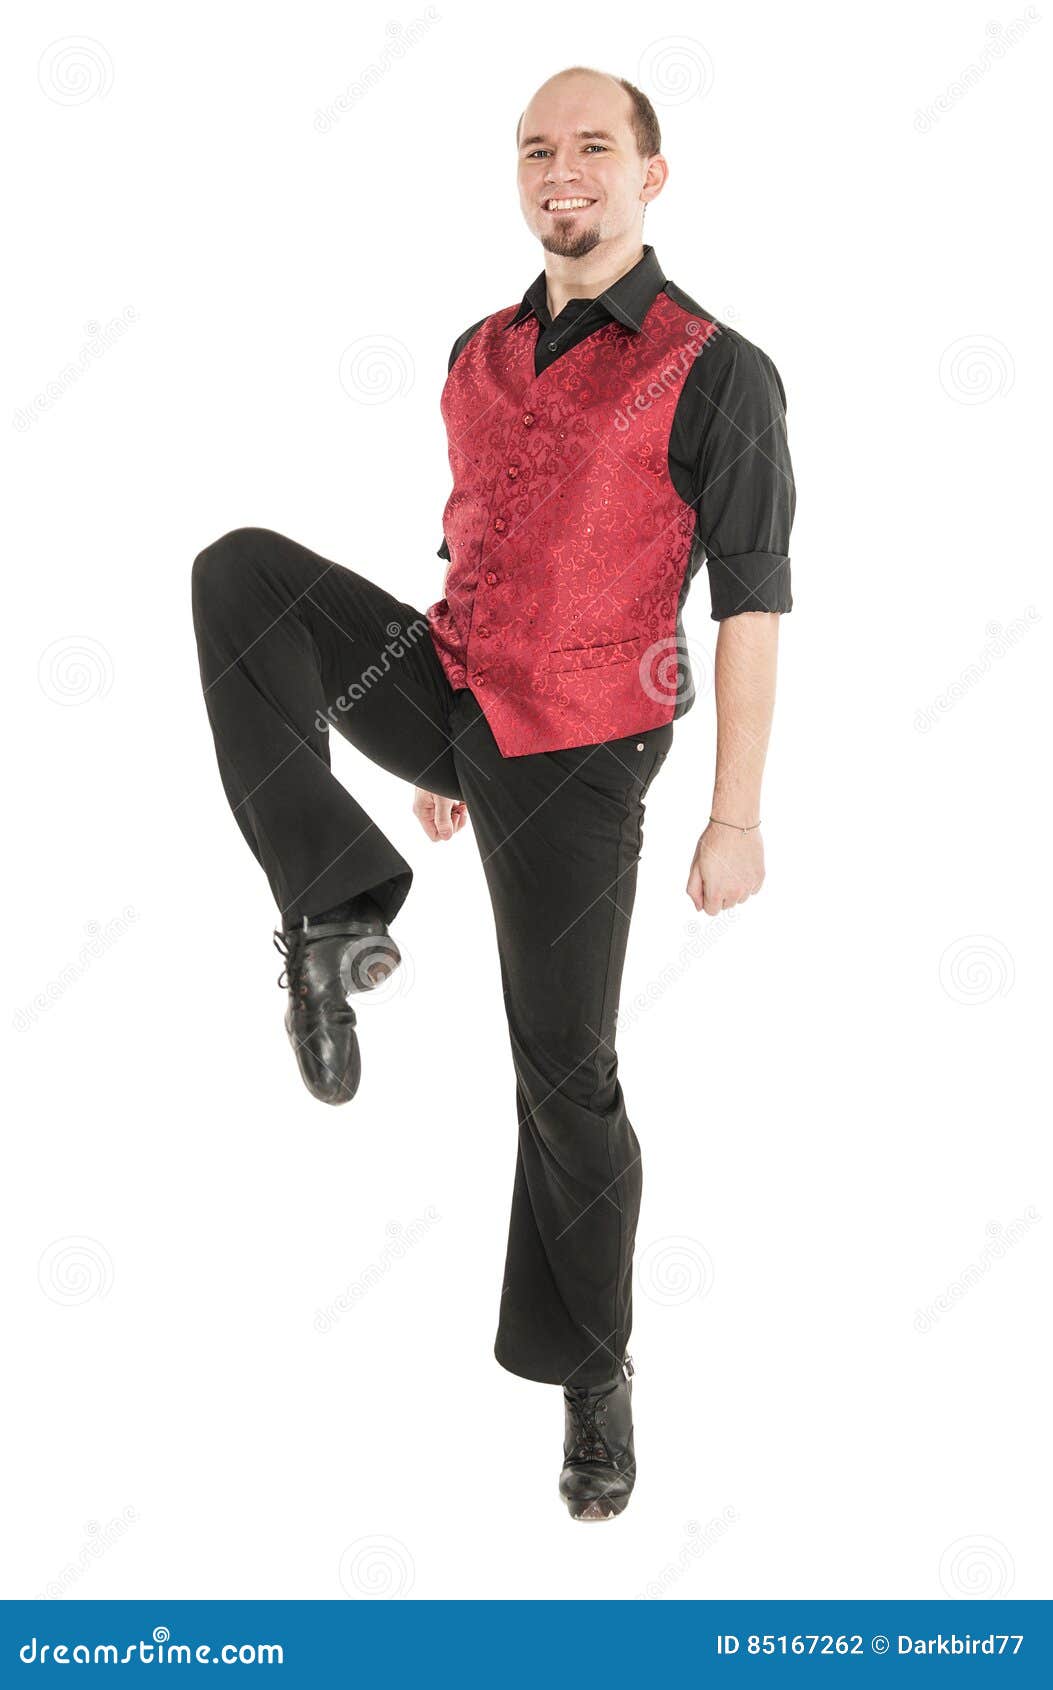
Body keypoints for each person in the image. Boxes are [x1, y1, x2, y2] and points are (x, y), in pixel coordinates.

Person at [190, 64, 795, 1522]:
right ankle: (333, 916)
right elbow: (480, 547)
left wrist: (734, 813)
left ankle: (595, 1368)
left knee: (560, 1066)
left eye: (594, 146)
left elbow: (751, 606)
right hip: (465, 693)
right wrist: (439, 743)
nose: (561, 169)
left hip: (586, 745)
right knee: (242, 576)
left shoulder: (719, 369)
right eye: (537, 149)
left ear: (653, 175)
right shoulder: (475, 353)